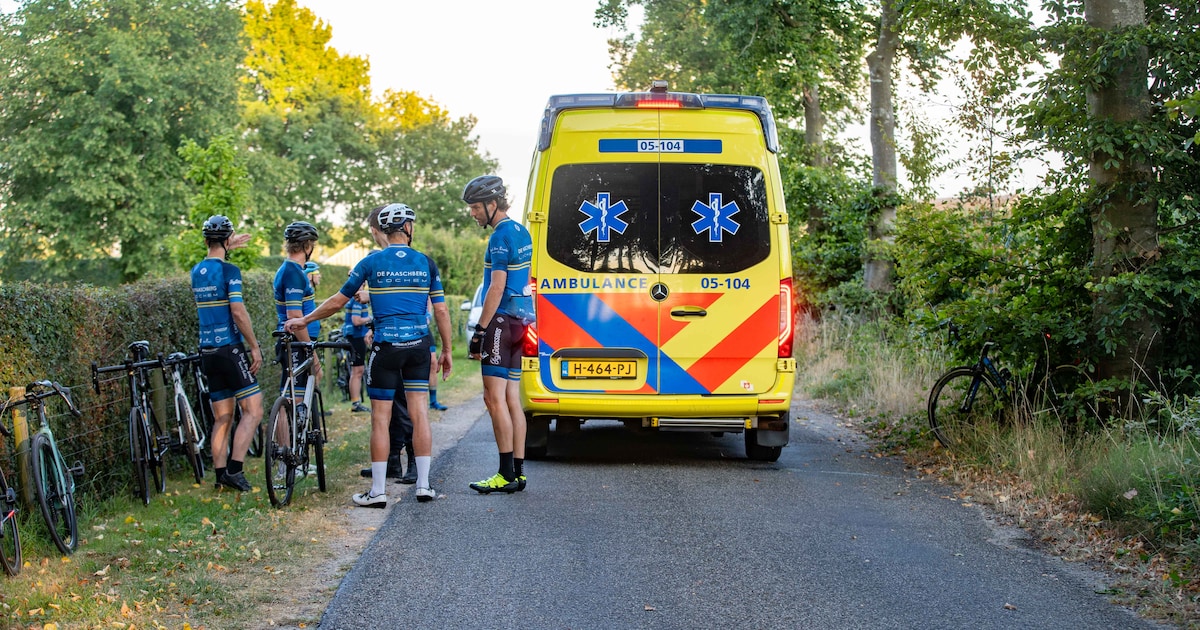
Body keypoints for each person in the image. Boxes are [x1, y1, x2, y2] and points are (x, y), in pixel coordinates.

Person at [285, 203, 452, 508]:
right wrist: (447, 349)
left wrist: (304, 320)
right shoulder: (426, 263)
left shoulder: (371, 262)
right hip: (417, 346)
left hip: (386, 347)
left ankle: (377, 492)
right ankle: (424, 485)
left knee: (380, 418)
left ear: (384, 231)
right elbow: (440, 309)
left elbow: (338, 301)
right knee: (419, 413)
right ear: (408, 228)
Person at [463, 175, 534, 494]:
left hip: (502, 322)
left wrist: (480, 330)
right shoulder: (522, 231)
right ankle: (518, 473)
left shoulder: (499, 237)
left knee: (493, 398)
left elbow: (497, 285)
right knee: (511, 400)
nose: (473, 213)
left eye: (476, 207)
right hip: (522, 321)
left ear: (493, 204)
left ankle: (505, 473)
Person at [190, 215, 264, 492]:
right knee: (253, 410)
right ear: (227, 239)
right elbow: (237, 310)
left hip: (207, 350)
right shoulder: (230, 271)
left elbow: (214, 258)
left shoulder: (196, 271)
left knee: (222, 417)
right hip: (230, 348)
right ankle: (235, 469)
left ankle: (220, 475)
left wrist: (226, 243)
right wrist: (254, 345)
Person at [343, 286, 372, 413]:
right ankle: (356, 403)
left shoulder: (353, 297)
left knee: (358, 371)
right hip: (356, 337)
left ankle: (357, 401)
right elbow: (356, 320)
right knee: (357, 371)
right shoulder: (357, 299)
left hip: (356, 337)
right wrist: (371, 318)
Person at [426, 298, 448, 411]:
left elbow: (429, 296)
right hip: (406, 324)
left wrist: (428, 314)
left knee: (433, 363)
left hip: (424, 326)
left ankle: (433, 401)